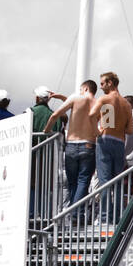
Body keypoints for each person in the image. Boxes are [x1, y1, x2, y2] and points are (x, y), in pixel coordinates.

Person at [46, 78, 99, 222]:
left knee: (73, 183)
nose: (79, 92)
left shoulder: (75, 99)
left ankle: (76, 214)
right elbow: (105, 124)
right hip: (88, 145)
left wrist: (46, 131)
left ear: (86, 89)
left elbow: (55, 115)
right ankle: (78, 214)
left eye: (81, 90)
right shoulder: (98, 103)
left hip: (71, 145)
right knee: (83, 181)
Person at [88, 71, 133, 223]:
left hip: (105, 139)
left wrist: (96, 132)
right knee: (118, 181)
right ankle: (118, 217)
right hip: (119, 142)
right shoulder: (126, 104)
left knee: (105, 180)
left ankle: (105, 217)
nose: (100, 87)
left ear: (110, 83)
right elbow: (130, 130)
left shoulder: (105, 99)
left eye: (102, 83)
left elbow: (91, 114)